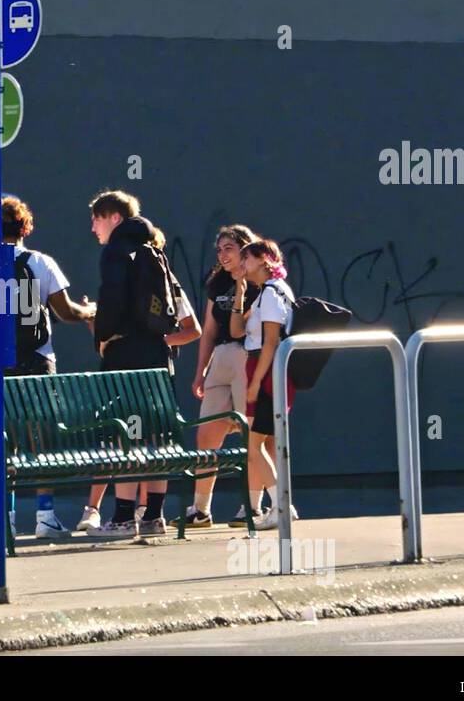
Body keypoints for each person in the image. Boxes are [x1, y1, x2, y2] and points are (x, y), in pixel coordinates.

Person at [0, 197, 96, 539]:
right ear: (25, 227)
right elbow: (67, 312)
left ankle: (5, 521)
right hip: (39, 362)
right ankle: (45, 517)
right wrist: (90, 312)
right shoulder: (42, 263)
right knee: (41, 437)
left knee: (4, 439)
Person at [82, 190, 197, 539]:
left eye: (96, 219)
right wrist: (158, 341)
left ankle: (121, 518)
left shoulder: (117, 252)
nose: (93, 228)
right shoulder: (156, 256)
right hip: (157, 360)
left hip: (126, 359)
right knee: (155, 436)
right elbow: (180, 316)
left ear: (114, 218)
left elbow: (114, 302)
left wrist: (102, 333)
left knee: (126, 435)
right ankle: (154, 517)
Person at [172, 224, 264, 530]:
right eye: (220, 249)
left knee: (253, 434)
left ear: (245, 249)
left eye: (230, 248)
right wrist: (200, 372)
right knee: (206, 434)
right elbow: (209, 330)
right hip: (221, 358)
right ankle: (200, 509)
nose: (223, 255)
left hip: (247, 356)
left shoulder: (257, 281)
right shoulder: (218, 282)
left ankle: (252, 506)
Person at [230, 238, 300, 531]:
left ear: (262, 260)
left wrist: (256, 382)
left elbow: (271, 341)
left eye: (246, 259)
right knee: (260, 442)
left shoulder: (272, 293)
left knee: (254, 444)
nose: (242, 264)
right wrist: (240, 292)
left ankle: (281, 505)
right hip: (262, 367)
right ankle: (276, 504)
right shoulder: (263, 294)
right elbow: (236, 330)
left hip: (268, 371)